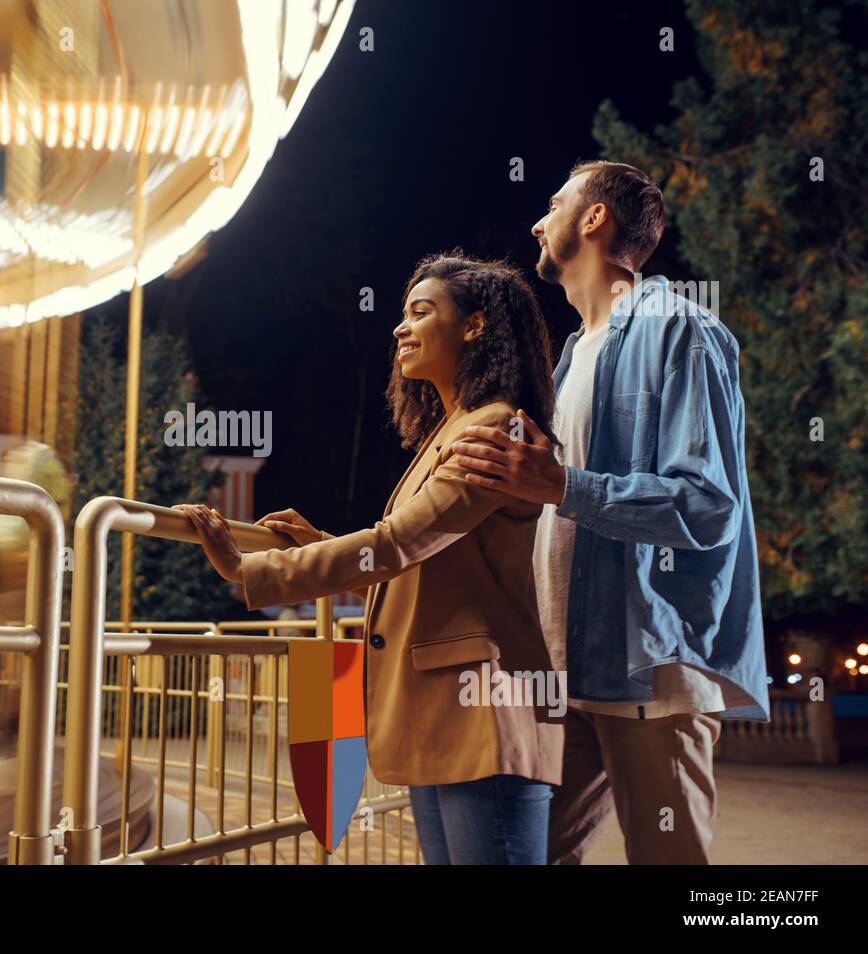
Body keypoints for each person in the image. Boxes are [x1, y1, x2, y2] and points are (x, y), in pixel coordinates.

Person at [179, 252, 563, 864]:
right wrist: (320, 545)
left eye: (420, 312)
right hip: (444, 717)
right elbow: (415, 558)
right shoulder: (454, 427)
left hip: (485, 715)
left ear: (475, 325)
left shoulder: (493, 430)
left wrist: (247, 570)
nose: (399, 328)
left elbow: (396, 544)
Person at [451, 160, 769, 864]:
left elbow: (707, 504)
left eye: (556, 203)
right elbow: (546, 503)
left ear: (595, 219)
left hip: (649, 674)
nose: (538, 220)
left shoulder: (679, 332)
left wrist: (565, 484)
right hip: (566, 673)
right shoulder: (567, 363)